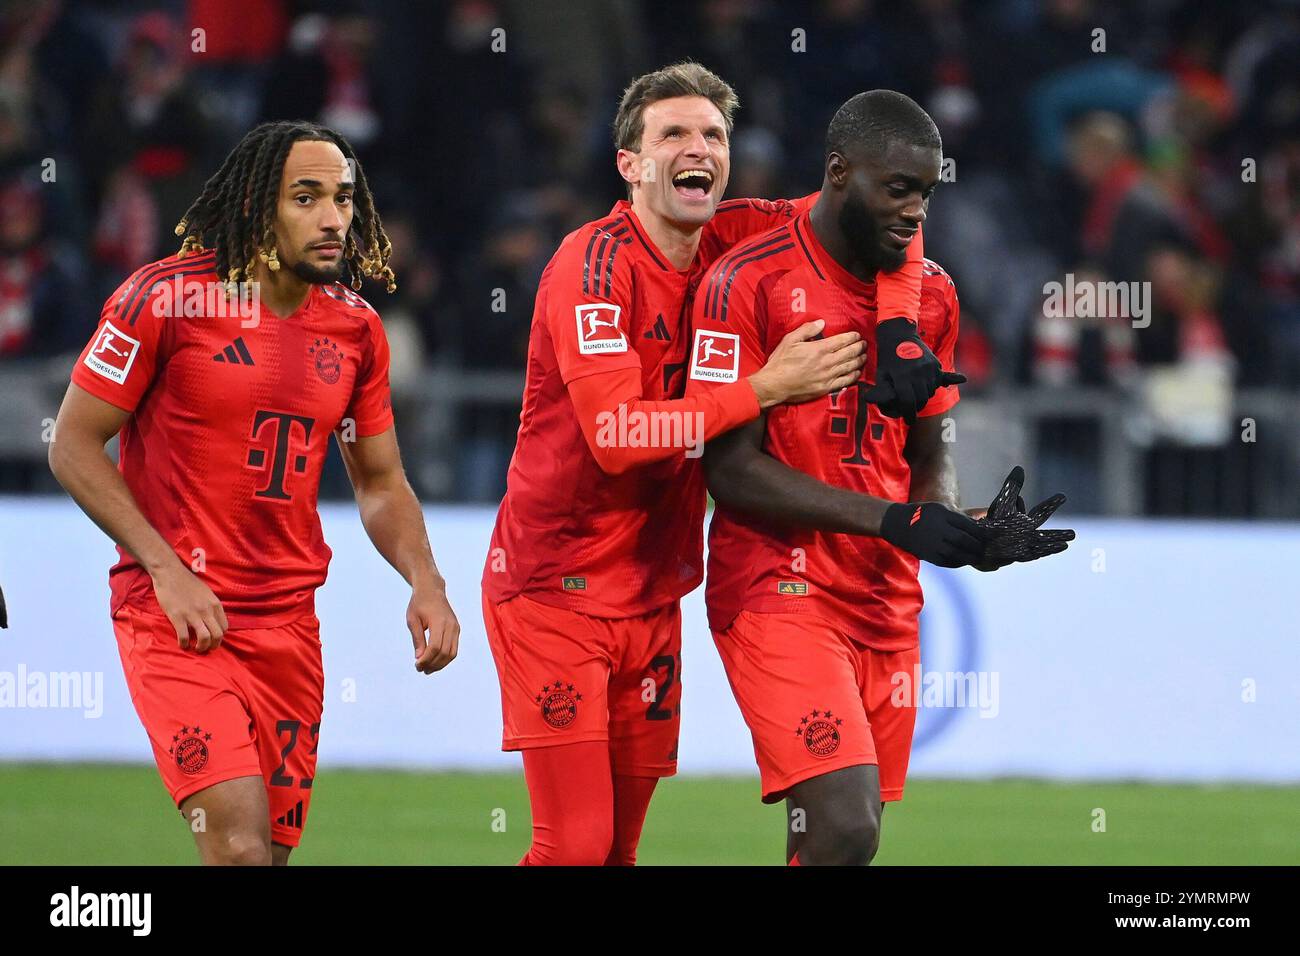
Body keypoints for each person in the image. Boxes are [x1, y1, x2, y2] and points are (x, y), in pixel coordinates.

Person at [481, 61, 951, 866]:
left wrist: (900, 326)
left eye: (713, 135)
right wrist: (764, 388)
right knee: (575, 847)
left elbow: (889, 213)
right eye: (673, 134)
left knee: (618, 851)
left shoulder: (736, 232)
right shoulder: (591, 264)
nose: (697, 148)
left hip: (653, 585)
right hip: (555, 585)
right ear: (629, 162)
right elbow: (616, 436)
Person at [48, 120, 459, 865]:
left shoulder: (357, 329)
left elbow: (379, 480)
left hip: (288, 629)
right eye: (307, 198)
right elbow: (72, 444)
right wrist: (164, 569)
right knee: (236, 848)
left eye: (342, 197)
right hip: (175, 618)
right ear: (253, 209)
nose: (335, 217)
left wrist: (425, 578)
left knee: (265, 857)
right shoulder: (164, 299)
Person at [688, 90, 1074, 865]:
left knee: (835, 845)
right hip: (777, 586)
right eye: (898, 189)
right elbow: (729, 472)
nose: (914, 210)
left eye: (926, 193)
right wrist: (896, 521)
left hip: (884, 598)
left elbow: (927, 449)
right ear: (838, 172)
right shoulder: (743, 281)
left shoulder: (931, 292)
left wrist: (953, 529)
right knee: (845, 825)